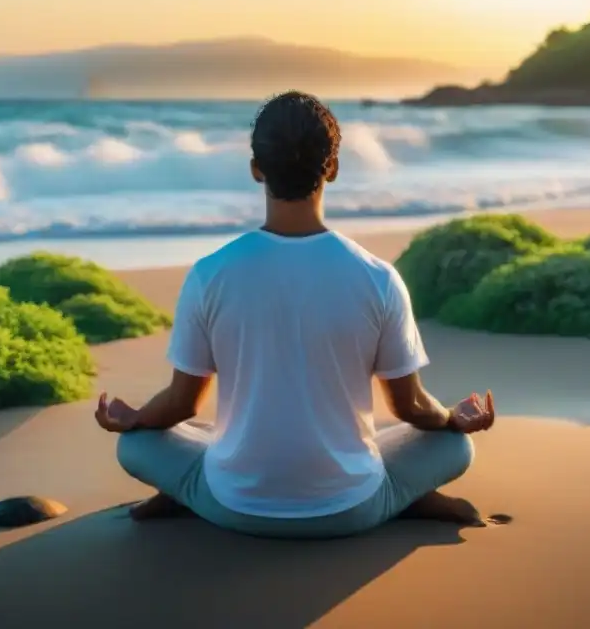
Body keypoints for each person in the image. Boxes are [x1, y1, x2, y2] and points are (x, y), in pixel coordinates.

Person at [95, 91, 496, 539]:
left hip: (234, 505)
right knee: (454, 446)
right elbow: (411, 407)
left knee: (138, 444)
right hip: (351, 507)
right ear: (334, 167)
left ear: (255, 168)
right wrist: (450, 418)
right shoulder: (377, 277)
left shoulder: (210, 274)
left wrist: (134, 420)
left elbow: (181, 404)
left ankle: (187, 493)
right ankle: (406, 497)